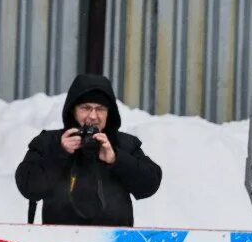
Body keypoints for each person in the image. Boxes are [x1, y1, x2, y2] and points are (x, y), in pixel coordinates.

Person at [15, 74, 162, 226]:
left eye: (100, 109)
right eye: (85, 108)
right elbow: (28, 186)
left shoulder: (123, 144)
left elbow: (150, 184)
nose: (93, 116)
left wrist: (116, 159)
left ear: (109, 113)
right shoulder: (49, 142)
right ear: (73, 110)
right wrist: (60, 152)